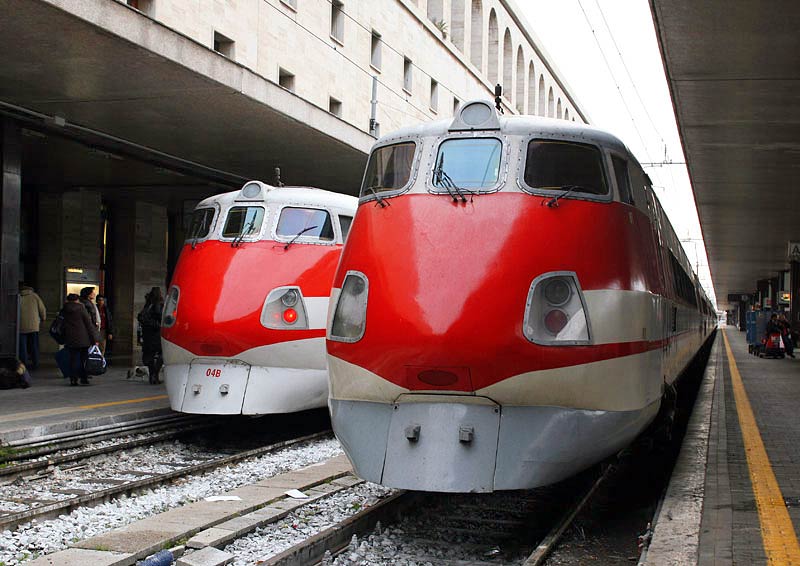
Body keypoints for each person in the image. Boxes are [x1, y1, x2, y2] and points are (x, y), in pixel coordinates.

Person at [62, 293, 100, 386]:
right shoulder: (81, 309)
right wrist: (94, 339)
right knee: (84, 359)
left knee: (73, 359)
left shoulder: (64, 309)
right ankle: (84, 378)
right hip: (83, 338)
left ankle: (73, 379)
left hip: (70, 338)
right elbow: (88, 325)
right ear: (77, 300)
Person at [138, 287, 164, 385]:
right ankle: (155, 375)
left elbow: (141, 316)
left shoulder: (148, 304)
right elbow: (160, 315)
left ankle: (152, 376)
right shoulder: (158, 304)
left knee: (150, 355)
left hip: (147, 334)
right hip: (155, 333)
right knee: (162, 354)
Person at [18, 283, 46, 370]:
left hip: (20, 325)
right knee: (34, 345)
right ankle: (35, 362)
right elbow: (42, 309)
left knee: (22, 346)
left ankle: (24, 362)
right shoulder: (35, 296)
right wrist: (43, 318)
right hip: (33, 325)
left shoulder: (18, 296)